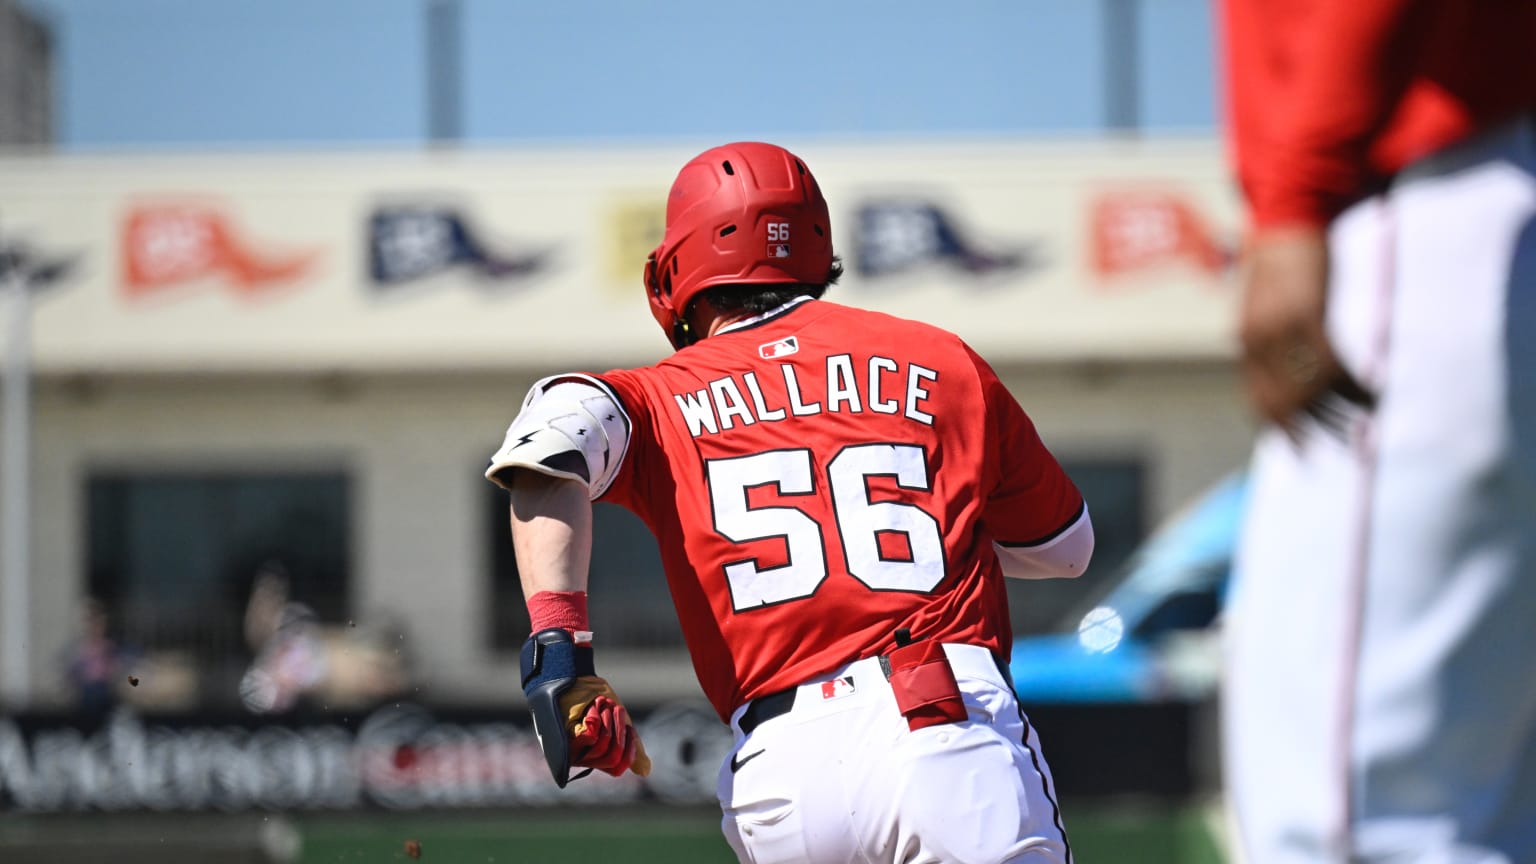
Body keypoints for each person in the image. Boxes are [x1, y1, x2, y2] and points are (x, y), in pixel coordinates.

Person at [485, 141, 1093, 864]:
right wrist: (926, 524)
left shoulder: (659, 397)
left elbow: (546, 446)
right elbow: (1066, 549)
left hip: (781, 773)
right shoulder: (940, 358)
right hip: (940, 724)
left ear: (677, 269)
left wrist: (561, 656)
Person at [1217, 1, 1536, 861]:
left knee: (1359, 814)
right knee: (1485, 800)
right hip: (1467, 183)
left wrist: (1296, 195)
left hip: (1422, 180)